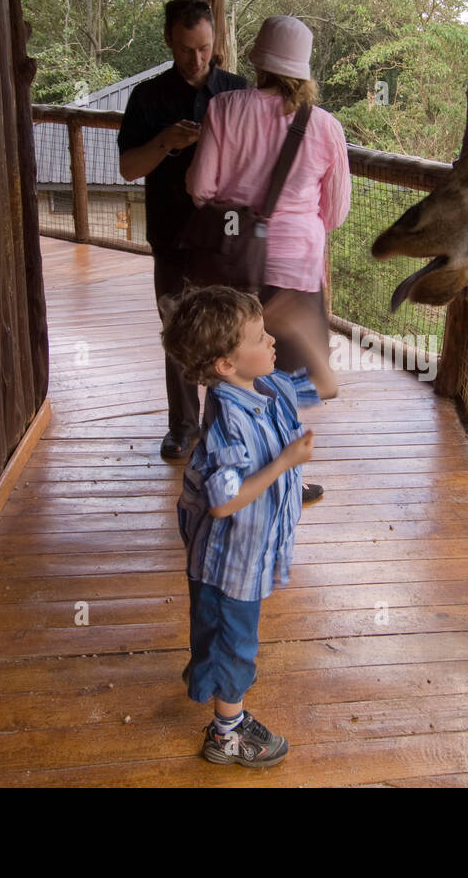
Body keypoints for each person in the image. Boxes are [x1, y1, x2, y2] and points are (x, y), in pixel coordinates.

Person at [160, 285, 316, 768]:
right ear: (226, 365)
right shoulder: (228, 420)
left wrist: (310, 341)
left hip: (247, 553)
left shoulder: (259, 386)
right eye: (259, 336)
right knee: (236, 645)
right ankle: (226, 734)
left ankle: (210, 667)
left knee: (223, 635)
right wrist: (285, 461)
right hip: (230, 565)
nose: (272, 341)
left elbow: (309, 388)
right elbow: (224, 502)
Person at [186, 15, 350, 408]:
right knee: (289, 382)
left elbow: (200, 190)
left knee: (229, 371)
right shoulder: (325, 126)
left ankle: (231, 437)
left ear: (258, 62)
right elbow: (335, 213)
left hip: (233, 261)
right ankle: (281, 437)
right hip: (295, 273)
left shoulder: (224, 107)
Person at [118, 0, 247, 462]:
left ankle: (230, 426)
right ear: (169, 41)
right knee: (177, 329)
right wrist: (166, 141)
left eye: (205, 48)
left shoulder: (238, 91)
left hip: (226, 236)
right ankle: (184, 428)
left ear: (216, 40)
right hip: (171, 234)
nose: (197, 59)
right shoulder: (148, 97)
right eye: (187, 49)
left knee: (232, 331)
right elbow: (129, 168)